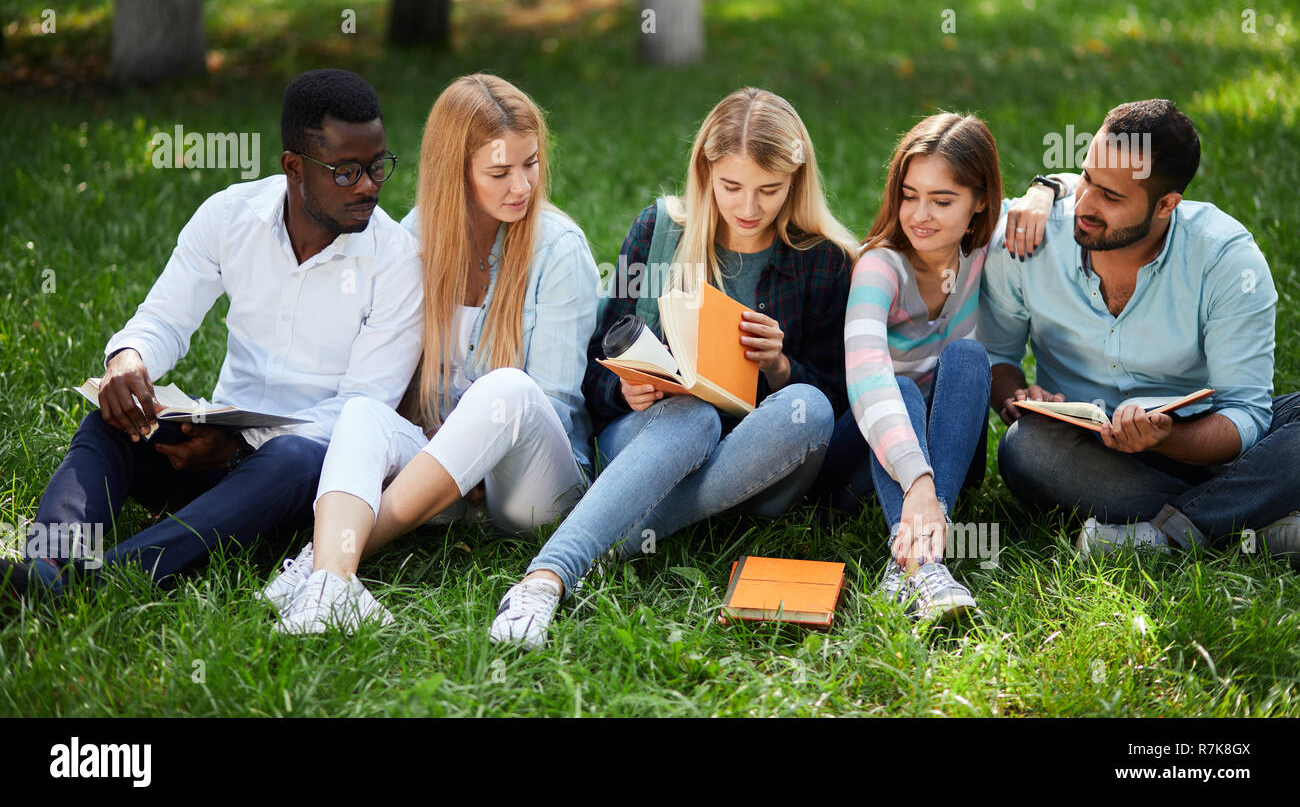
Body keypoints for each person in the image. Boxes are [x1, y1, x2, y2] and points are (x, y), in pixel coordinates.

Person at [0, 69, 423, 598]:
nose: (368, 187)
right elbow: (164, 320)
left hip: (311, 478)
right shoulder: (230, 217)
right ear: (294, 166)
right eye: (347, 172)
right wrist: (129, 359)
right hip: (216, 448)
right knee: (112, 423)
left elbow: (363, 411)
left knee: (292, 457)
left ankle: (109, 579)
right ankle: (49, 566)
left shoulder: (397, 261)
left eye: (378, 166)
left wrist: (238, 443)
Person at [490, 86, 860, 649]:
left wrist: (782, 366)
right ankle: (548, 577)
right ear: (706, 170)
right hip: (654, 436)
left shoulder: (823, 259)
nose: (749, 208)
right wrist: (626, 391)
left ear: (796, 181)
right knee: (694, 417)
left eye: (770, 190)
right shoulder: (659, 230)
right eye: (732, 187)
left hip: (761, 462)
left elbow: (836, 402)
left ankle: (609, 529)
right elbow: (594, 366)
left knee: (804, 409)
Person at [265, 73, 599, 634]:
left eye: (531, 164)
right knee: (362, 412)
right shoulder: (415, 236)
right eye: (499, 172)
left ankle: (328, 559)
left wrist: (475, 454)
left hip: (533, 492)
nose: (522, 185)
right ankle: (332, 586)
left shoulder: (558, 249)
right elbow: (394, 381)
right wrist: (445, 458)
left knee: (508, 390)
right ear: (456, 170)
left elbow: (558, 409)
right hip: (441, 486)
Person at [983, 99, 1300, 563]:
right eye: (1087, 178)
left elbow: (1245, 416)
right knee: (1026, 451)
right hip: (1084, 450)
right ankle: (1256, 519)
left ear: (1167, 205)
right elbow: (996, 359)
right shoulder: (1030, 238)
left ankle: (1166, 536)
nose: (1085, 205)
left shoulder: (1226, 259)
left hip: (1199, 440)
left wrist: (1165, 437)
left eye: (1111, 197)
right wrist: (1018, 399)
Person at [811, 113, 1073, 620]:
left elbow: (1090, 185)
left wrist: (1044, 190)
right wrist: (918, 482)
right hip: (868, 455)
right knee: (902, 388)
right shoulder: (879, 266)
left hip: (951, 446)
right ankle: (922, 565)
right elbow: (866, 378)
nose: (920, 215)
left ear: (979, 205)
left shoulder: (984, 247)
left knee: (970, 356)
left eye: (942, 200)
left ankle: (913, 559)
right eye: (909, 195)